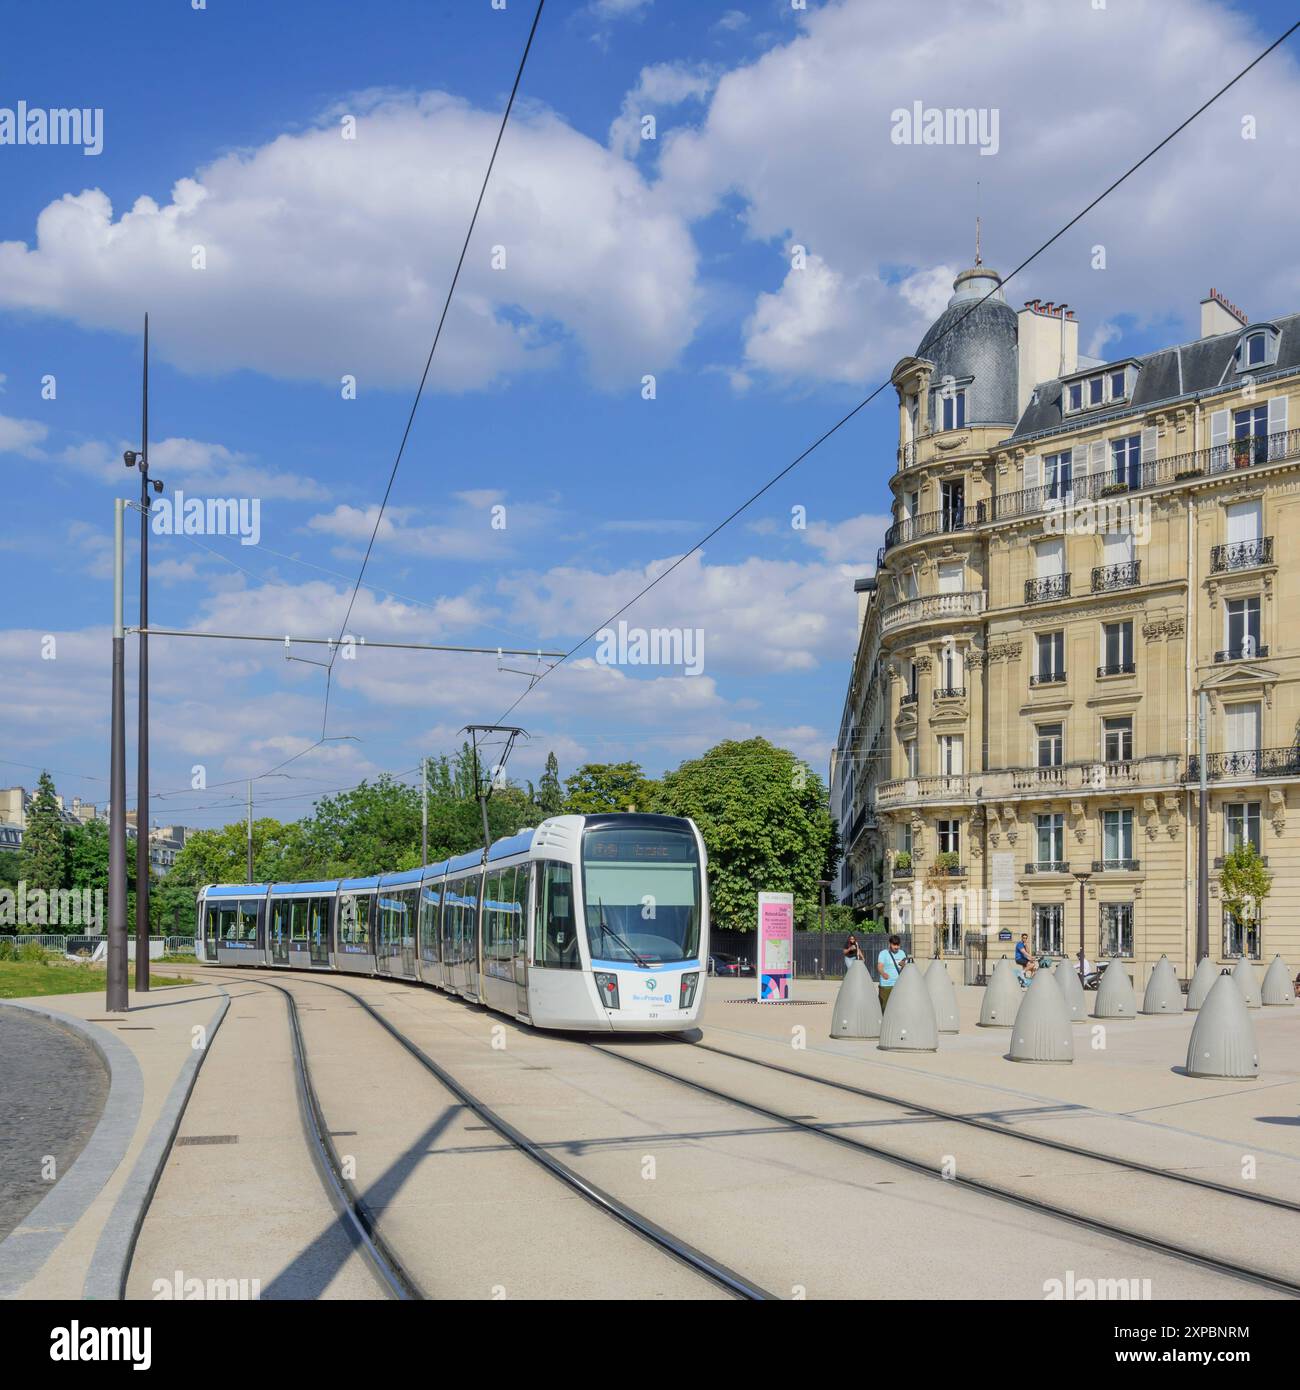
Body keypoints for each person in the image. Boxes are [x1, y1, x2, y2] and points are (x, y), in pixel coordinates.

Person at [877, 934, 907, 1006]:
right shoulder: (883, 953)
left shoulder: (902, 953)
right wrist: (883, 973)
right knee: (884, 1006)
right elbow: (880, 966)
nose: (896, 947)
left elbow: (904, 969)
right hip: (886, 985)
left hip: (898, 985)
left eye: (898, 945)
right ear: (890, 944)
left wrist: (903, 966)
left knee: (896, 1006)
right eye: (894, 945)